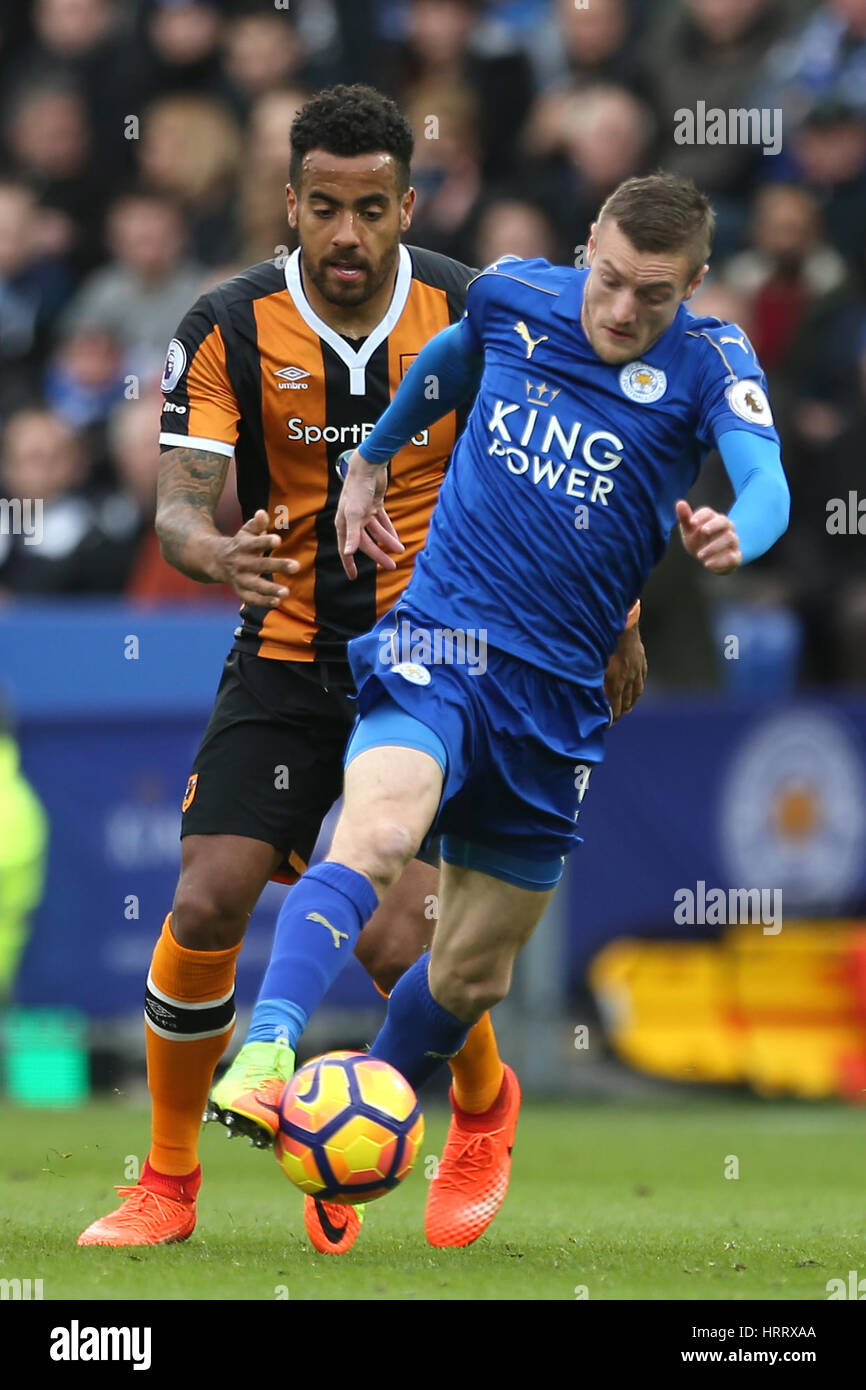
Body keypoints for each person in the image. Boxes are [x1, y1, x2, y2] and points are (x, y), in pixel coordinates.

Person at [76, 83, 648, 1255]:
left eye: (371, 208)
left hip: (434, 664)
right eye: (324, 207)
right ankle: (167, 1184)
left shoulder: (477, 311)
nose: (347, 233)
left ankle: (480, 1109)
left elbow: (580, 471)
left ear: (406, 207)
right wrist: (211, 550)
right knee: (206, 898)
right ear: (289, 203)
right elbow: (178, 508)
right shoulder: (225, 324)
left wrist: (619, 613)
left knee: (400, 941)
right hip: (284, 656)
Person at [251, 172, 790, 1236]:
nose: (621, 309)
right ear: (587, 245)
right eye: (609, 279)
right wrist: (370, 457)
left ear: (693, 286)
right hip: (440, 641)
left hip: (558, 696)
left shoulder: (712, 360)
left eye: (653, 294)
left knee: (468, 971)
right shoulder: (513, 294)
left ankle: (432, 1120)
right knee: (377, 830)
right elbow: (451, 361)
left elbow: (765, 478)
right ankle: (266, 1051)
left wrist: (744, 531)